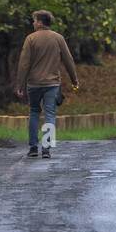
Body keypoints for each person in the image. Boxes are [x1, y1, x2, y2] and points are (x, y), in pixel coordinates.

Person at [13, 10, 80, 159]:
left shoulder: (30, 39)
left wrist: (20, 84)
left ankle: (32, 147)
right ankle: (46, 148)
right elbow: (68, 60)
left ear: (40, 22)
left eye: (34, 20)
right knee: (50, 114)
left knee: (34, 112)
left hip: (34, 83)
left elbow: (24, 64)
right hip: (52, 84)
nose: (33, 23)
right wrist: (74, 80)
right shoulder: (58, 38)